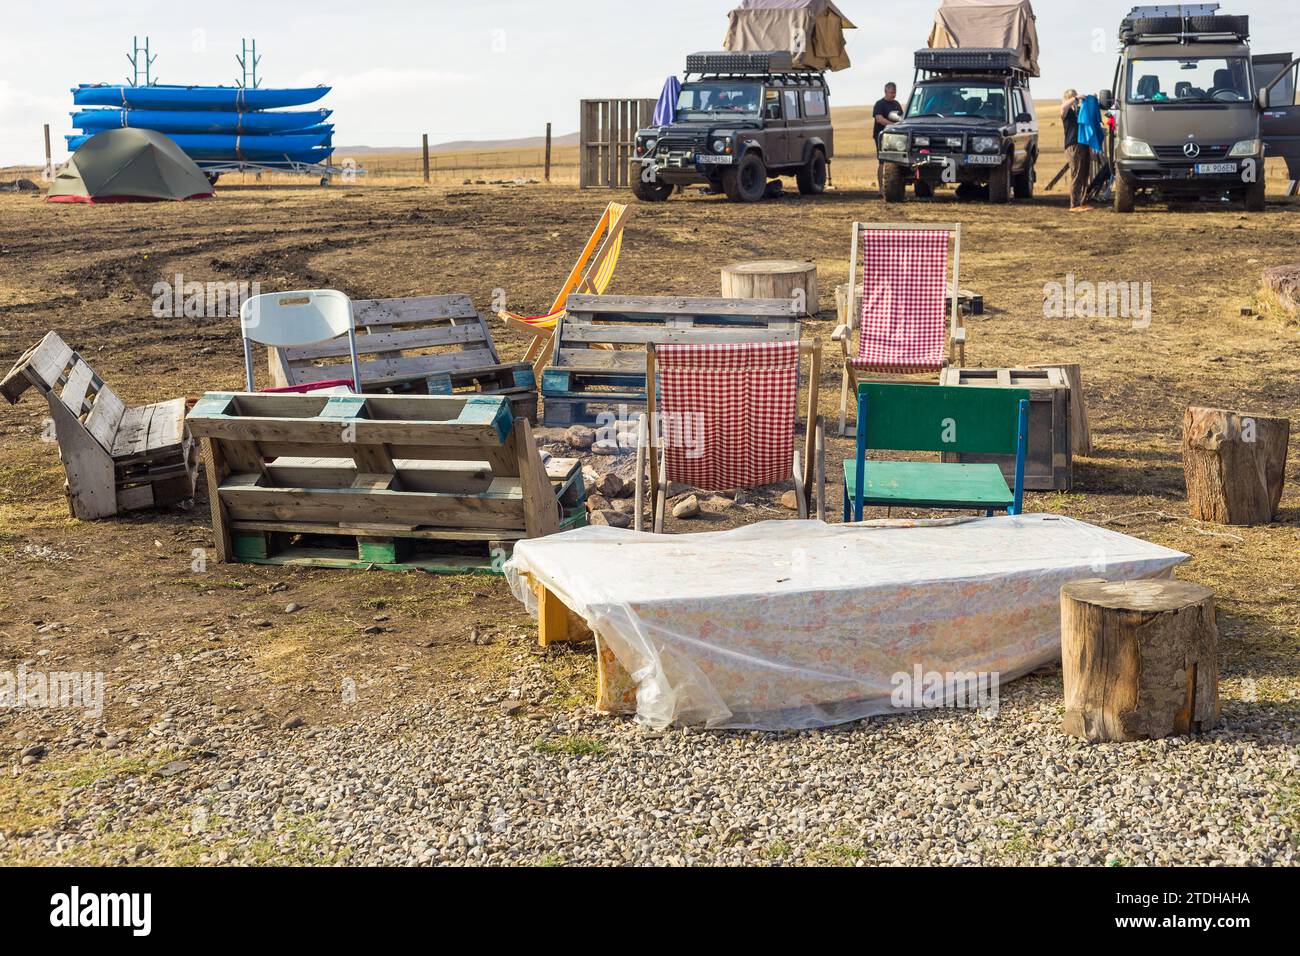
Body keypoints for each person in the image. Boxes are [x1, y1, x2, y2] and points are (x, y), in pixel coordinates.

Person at [1062, 89, 1091, 212]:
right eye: (1073, 97)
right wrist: (1075, 99)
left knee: (1084, 174)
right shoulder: (1067, 113)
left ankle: (1082, 201)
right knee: (1076, 174)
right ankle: (1074, 204)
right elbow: (1063, 108)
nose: (1076, 99)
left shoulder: (1078, 112)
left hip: (1083, 144)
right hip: (1073, 145)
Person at [873, 82, 904, 190]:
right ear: (885, 91)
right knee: (882, 161)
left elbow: (902, 117)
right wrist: (893, 125)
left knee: (896, 161)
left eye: (894, 92)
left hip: (896, 137)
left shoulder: (896, 104)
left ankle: (894, 188)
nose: (893, 95)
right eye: (891, 92)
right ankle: (881, 189)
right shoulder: (879, 104)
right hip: (882, 136)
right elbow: (879, 119)